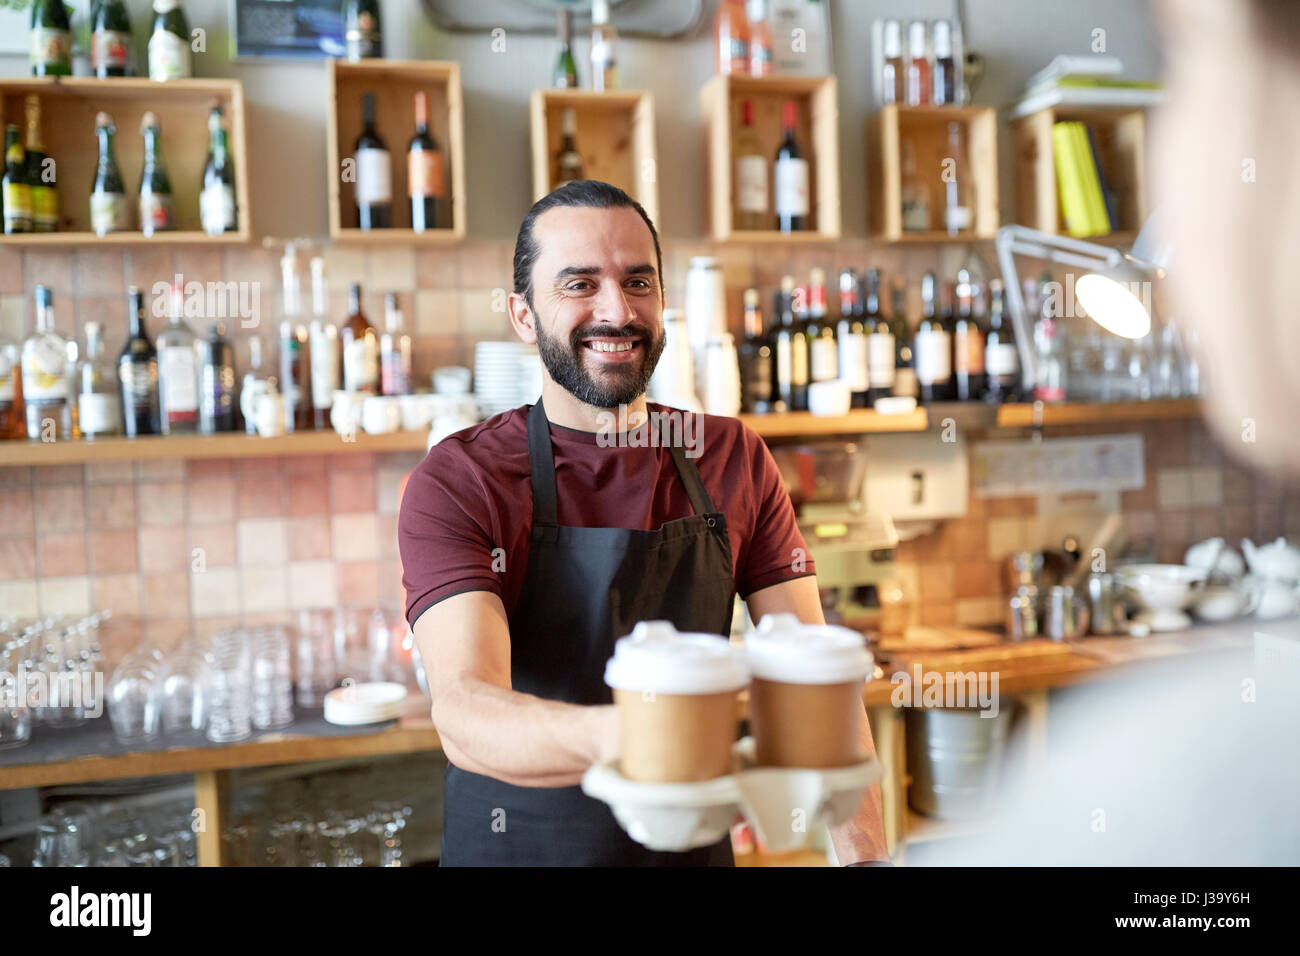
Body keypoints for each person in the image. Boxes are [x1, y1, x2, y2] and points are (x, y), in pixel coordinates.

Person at [399, 180, 888, 866]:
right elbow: (466, 712)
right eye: (579, 284)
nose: (616, 310)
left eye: (638, 282)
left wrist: (866, 856)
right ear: (521, 316)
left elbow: (818, 675)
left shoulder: (730, 458)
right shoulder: (462, 479)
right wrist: (641, 737)